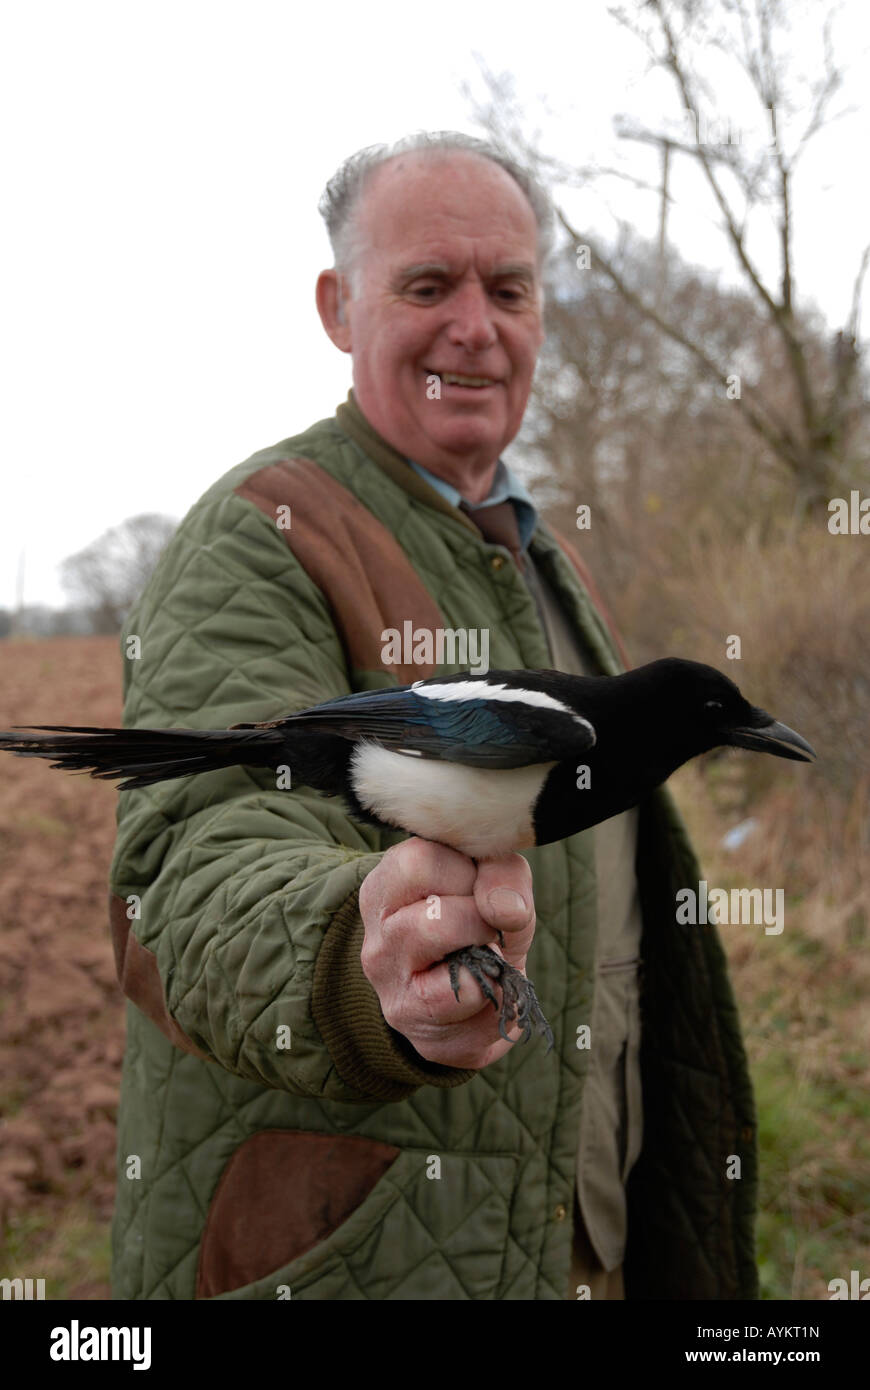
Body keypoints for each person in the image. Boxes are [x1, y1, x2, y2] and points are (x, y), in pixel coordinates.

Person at [108, 132, 758, 1301]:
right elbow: (189, 871)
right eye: (427, 286)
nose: (475, 326)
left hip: (583, 1233)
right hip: (362, 1260)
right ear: (338, 308)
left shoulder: (551, 564)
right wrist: (360, 961)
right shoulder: (260, 535)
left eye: (508, 289)